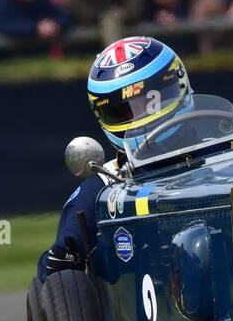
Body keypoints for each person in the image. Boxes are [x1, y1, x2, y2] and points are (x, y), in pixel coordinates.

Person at [37, 36, 193, 280]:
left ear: (178, 84)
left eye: (151, 101)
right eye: (124, 110)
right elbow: (55, 276)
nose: (142, 116)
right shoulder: (100, 190)